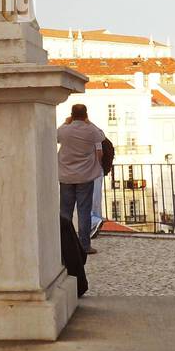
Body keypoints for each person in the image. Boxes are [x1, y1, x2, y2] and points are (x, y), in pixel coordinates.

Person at [57, 104, 104, 256]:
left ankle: (64, 244)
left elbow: (55, 135)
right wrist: (88, 122)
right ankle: (84, 245)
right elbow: (101, 135)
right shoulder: (90, 130)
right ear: (85, 115)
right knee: (84, 211)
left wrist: (66, 122)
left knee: (65, 212)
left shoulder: (65, 130)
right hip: (85, 176)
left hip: (66, 176)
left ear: (71, 114)